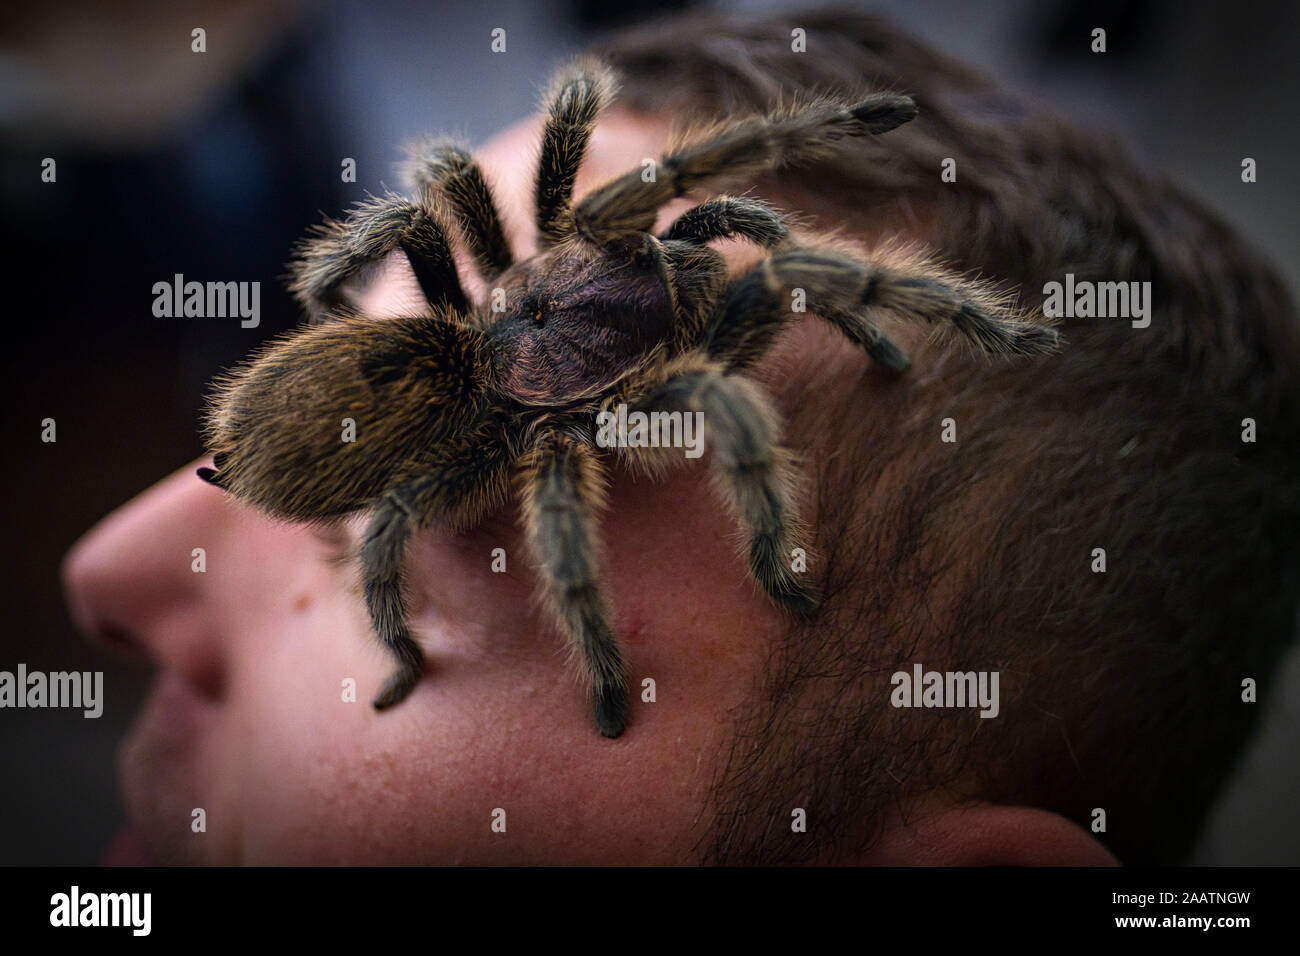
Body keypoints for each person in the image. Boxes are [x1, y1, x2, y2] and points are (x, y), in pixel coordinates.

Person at [62, 6, 1300, 865]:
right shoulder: (551, 419)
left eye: (366, 574)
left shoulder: (584, 288)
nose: (102, 566)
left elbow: (623, 194)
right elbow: (420, 494)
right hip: (484, 380)